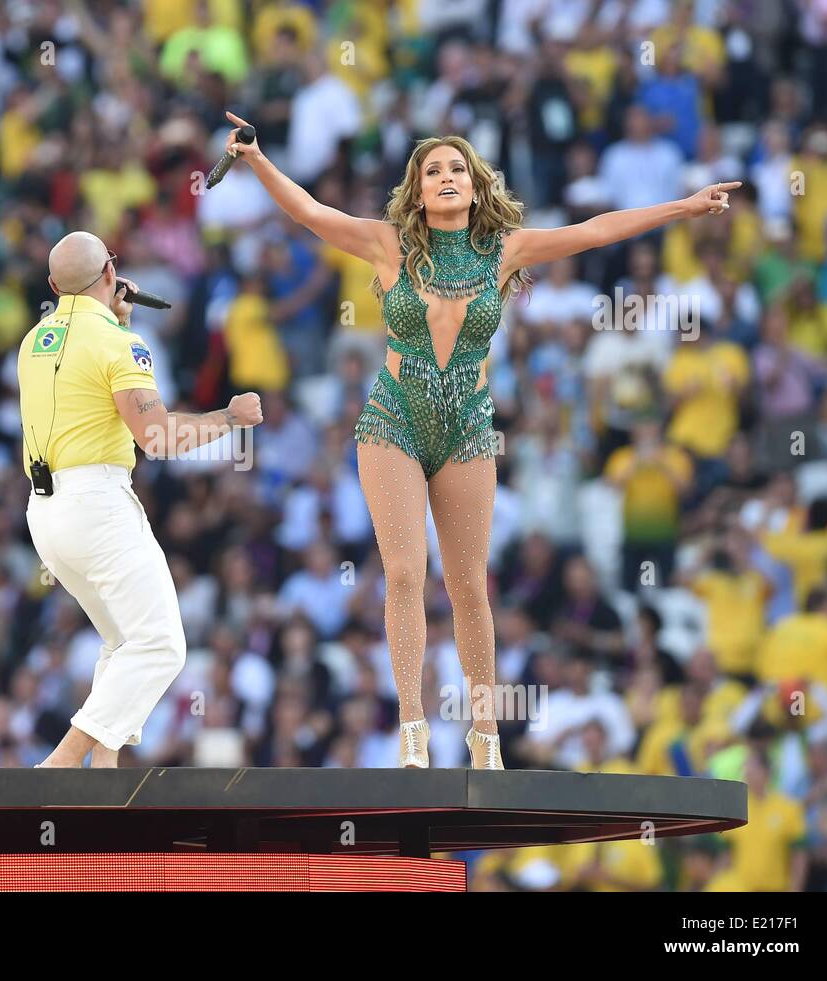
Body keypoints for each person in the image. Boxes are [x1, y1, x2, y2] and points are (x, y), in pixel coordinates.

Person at [222, 108, 739, 769]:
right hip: (394, 418)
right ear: (415, 190)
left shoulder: (506, 249)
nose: (444, 176)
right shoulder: (388, 245)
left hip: (468, 426)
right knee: (406, 573)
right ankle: (413, 725)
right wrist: (259, 159)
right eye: (431, 169)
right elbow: (312, 212)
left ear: (475, 184)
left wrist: (684, 208)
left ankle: (484, 734)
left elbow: (594, 230)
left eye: (456, 168)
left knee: (470, 585)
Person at [18, 230, 262, 767]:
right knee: (162, 645)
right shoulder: (119, 345)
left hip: (46, 513)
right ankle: (62, 761)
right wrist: (229, 417)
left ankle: (102, 768)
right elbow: (159, 438)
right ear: (112, 273)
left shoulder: (35, 339)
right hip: (96, 504)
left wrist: (116, 318)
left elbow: (85, 388)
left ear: (55, 286)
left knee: (123, 641)